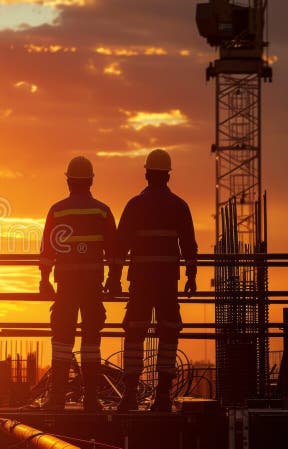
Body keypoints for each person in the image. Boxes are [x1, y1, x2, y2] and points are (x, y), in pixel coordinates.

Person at [114, 149, 198, 412]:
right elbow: (189, 245)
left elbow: (119, 246)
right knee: (169, 332)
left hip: (140, 282)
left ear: (147, 173)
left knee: (135, 333)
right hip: (167, 283)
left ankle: (129, 395)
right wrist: (191, 276)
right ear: (168, 175)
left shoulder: (134, 205)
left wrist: (113, 279)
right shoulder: (179, 206)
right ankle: (162, 395)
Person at [39, 156, 122, 411]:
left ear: (68, 181)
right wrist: (114, 281)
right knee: (91, 343)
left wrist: (44, 281)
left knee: (62, 342)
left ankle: (56, 399)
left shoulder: (57, 211)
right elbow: (115, 252)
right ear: (91, 180)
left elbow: (46, 251)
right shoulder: (102, 211)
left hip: (66, 287)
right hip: (91, 287)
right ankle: (91, 399)